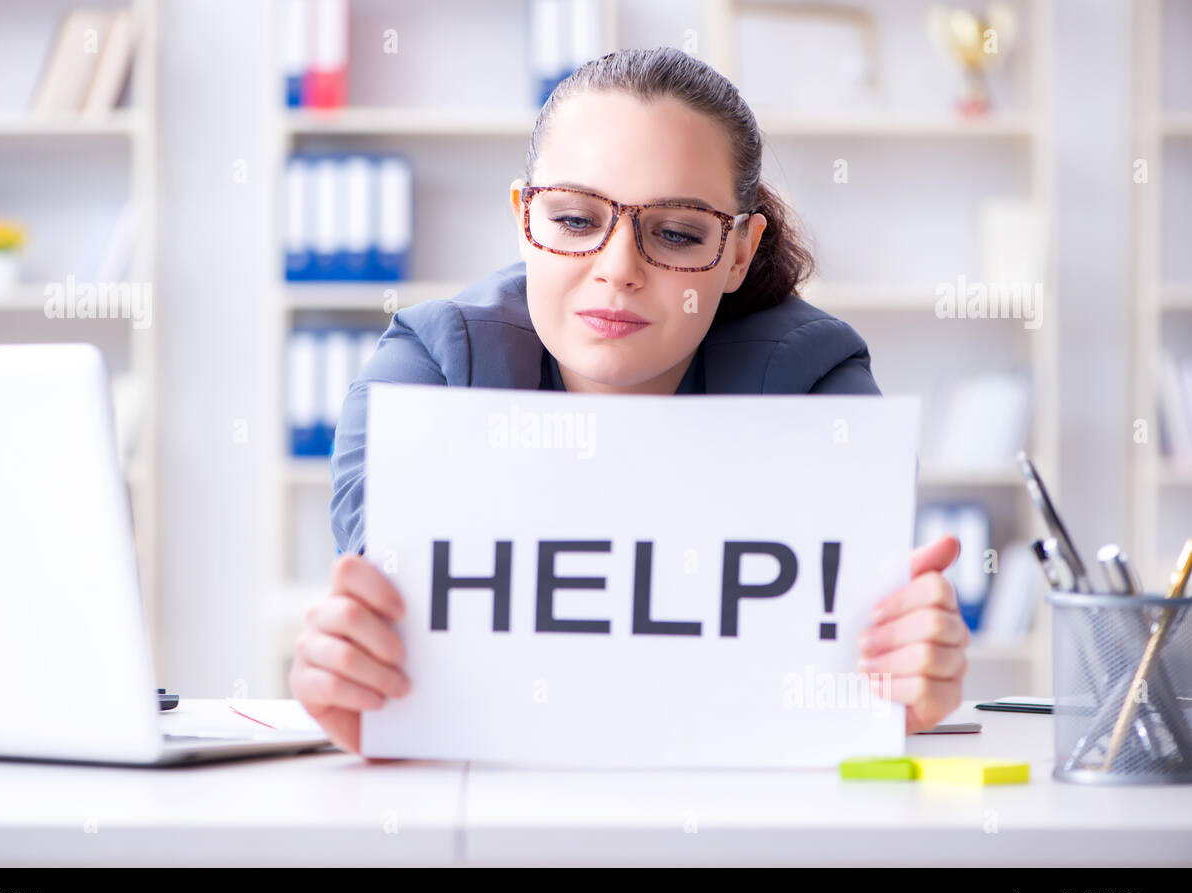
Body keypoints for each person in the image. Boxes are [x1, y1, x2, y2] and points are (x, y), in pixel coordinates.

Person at [291, 47, 969, 755]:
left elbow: (844, 658)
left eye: (676, 233)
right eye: (576, 221)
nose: (618, 271)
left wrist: (892, 682)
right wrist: (360, 682)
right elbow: (400, 639)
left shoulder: (815, 381)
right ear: (525, 216)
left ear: (739, 251)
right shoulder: (429, 368)